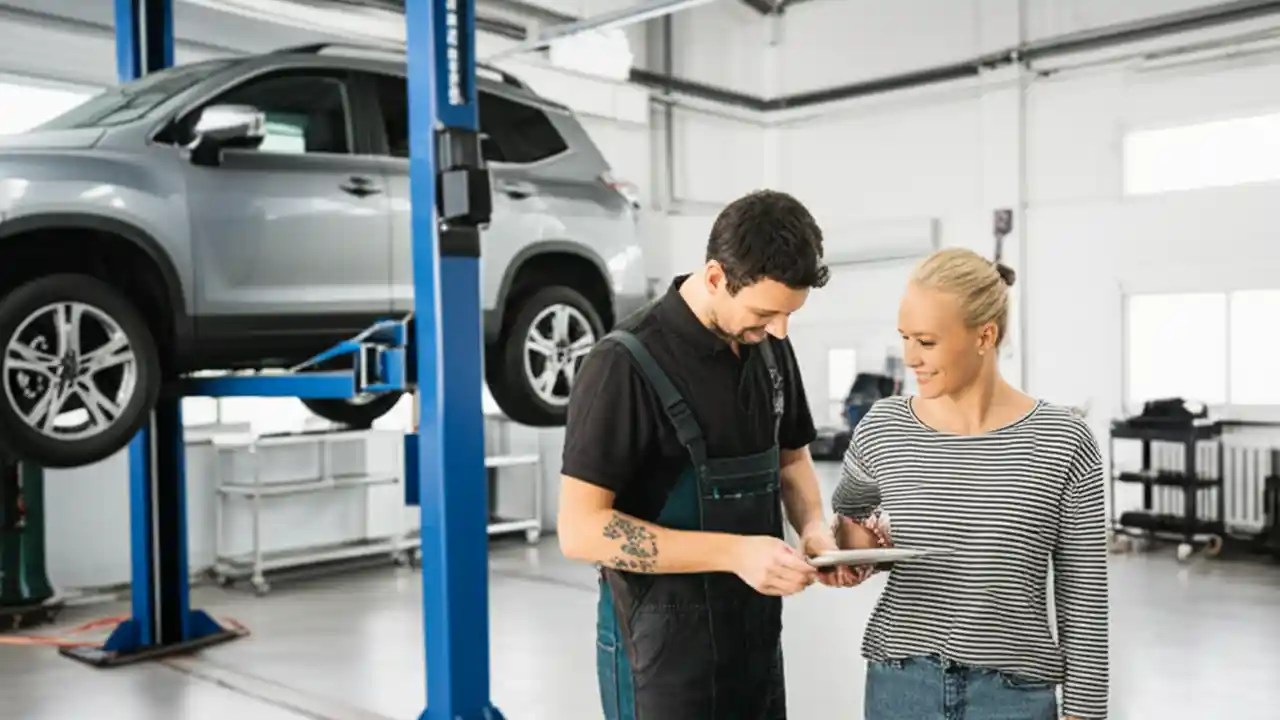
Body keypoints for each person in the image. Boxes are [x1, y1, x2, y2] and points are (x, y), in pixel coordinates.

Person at [557, 189, 860, 720]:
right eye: (766, 312)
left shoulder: (770, 348)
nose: (780, 330)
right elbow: (580, 529)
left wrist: (814, 529)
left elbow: (791, 459)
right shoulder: (622, 366)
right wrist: (736, 554)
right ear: (717, 277)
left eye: (789, 315)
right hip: (660, 660)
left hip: (756, 645)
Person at [830, 246, 1110, 720]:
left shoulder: (1063, 439)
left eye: (927, 341)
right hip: (900, 684)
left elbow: (1083, 591)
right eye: (905, 338)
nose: (910, 358)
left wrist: (1087, 711)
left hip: (1012, 695)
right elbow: (850, 517)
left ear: (985, 336)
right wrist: (851, 556)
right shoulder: (884, 425)